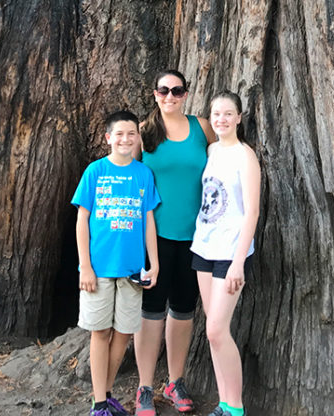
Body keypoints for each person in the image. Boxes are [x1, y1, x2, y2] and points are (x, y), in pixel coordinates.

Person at [134, 70, 215, 416]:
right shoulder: (144, 132)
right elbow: (129, 178)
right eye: (163, 90)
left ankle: (175, 381)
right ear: (154, 94)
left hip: (196, 239)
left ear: (186, 93)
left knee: (183, 310)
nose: (170, 96)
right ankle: (145, 388)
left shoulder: (203, 128)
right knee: (151, 312)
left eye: (177, 90)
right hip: (155, 239)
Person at [73, 110, 160, 416]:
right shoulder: (95, 172)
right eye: (119, 134)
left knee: (123, 333)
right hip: (98, 269)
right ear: (108, 138)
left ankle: (106, 392)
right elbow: (82, 220)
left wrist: (155, 263)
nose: (125, 139)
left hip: (132, 269)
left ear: (138, 137)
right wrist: (85, 265)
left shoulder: (143, 174)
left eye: (131, 134)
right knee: (100, 332)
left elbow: (149, 221)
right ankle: (99, 404)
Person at [190, 91, 261, 416]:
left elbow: (252, 213)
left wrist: (237, 264)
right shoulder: (211, 150)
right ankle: (223, 403)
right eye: (215, 114)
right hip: (204, 246)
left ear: (238, 117)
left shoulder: (245, 156)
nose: (220, 119)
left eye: (227, 114)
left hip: (231, 253)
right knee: (214, 331)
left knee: (216, 329)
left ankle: (236, 408)